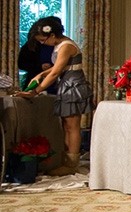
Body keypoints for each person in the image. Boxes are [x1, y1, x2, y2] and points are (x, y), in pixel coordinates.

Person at [16, 16, 93, 175]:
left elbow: (57, 70)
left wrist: (35, 92)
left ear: (52, 35)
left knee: (72, 126)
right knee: (66, 126)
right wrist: (42, 74)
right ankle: (66, 161)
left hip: (73, 86)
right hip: (66, 85)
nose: (42, 44)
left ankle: (72, 165)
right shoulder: (59, 45)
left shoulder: (66, 46)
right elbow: (57, 68)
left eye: (43, 40)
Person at [17, 19, 56, 93]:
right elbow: (21, 64)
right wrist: (40, 67)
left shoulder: (59, 46)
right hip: (36, 80)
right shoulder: (30, 46)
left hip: (55, 82)